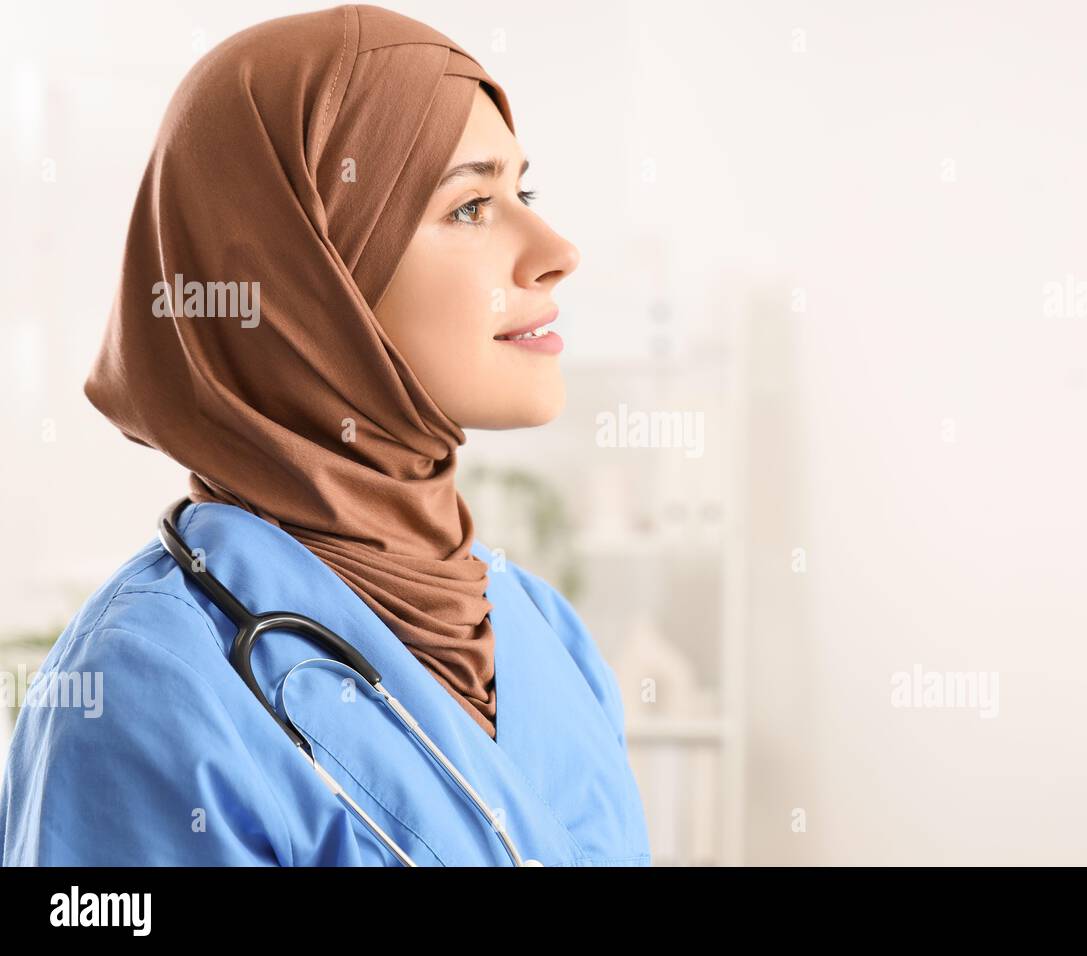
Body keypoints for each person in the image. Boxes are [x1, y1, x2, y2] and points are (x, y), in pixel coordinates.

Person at [0, 3, 652, 866]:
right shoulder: (144, 686)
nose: (556, 248)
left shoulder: (543, 629)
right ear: (311, 280)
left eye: (523, 191)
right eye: (469, 206)